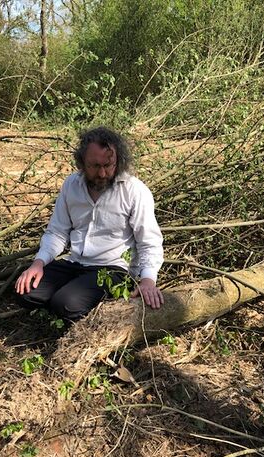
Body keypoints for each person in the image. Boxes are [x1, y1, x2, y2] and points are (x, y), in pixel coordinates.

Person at [15, 126, 164, 321]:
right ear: (81, 163)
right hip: (74, 261)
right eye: (94, 166)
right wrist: (38, 263)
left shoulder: (135, 191)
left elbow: (149, 241)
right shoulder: (71, 185)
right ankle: (68, 300)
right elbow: (57, 232)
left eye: (108, 165)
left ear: (118, 161)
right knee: (25, 292)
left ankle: (69, 304)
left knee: (66, 304)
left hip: (113, 269)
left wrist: (147, 280)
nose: (102, 173)